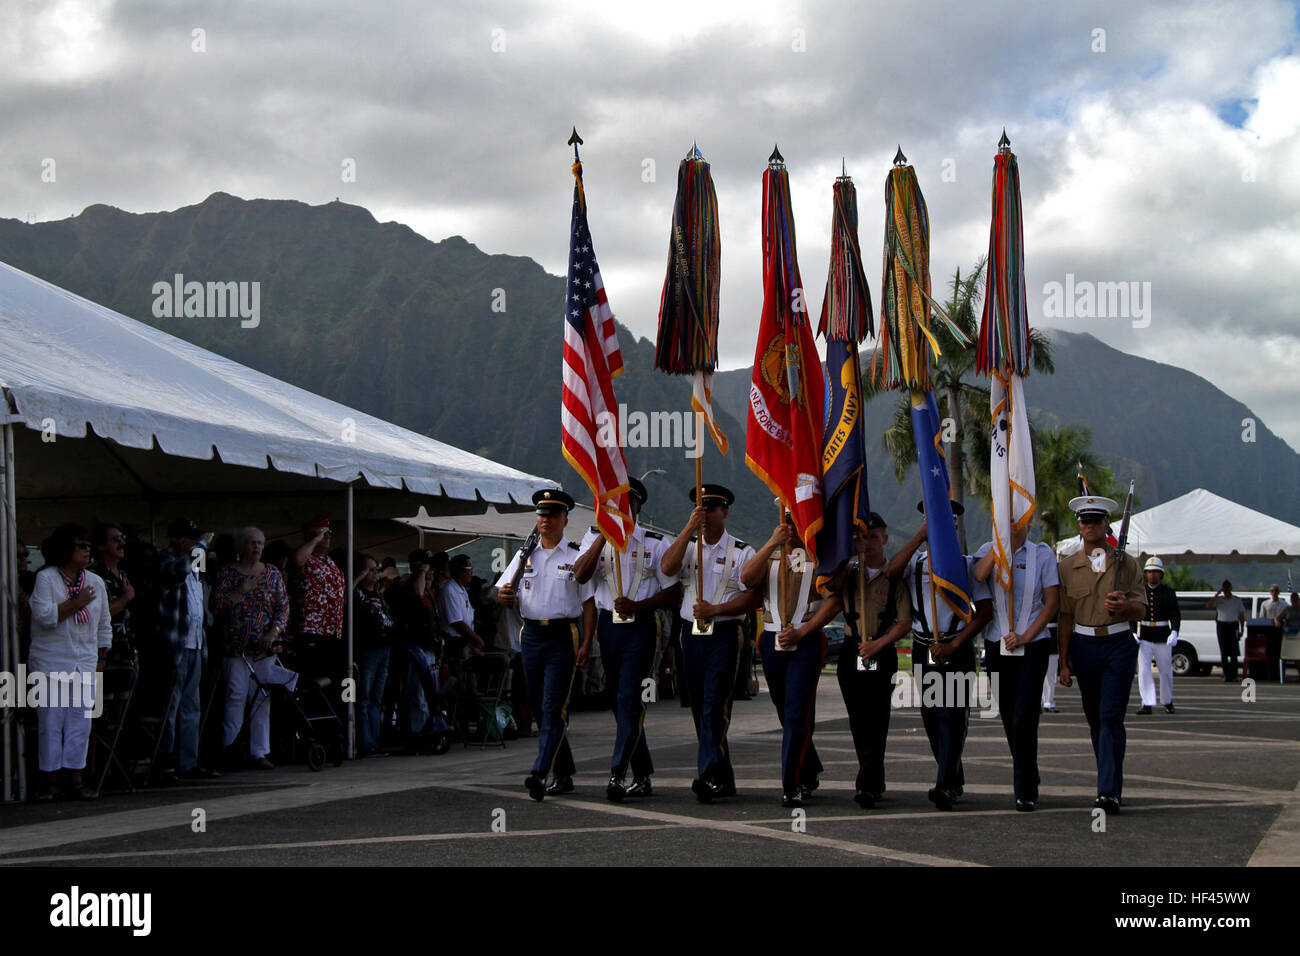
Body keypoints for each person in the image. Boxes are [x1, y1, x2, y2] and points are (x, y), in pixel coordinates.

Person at [574, 477, 679, 802]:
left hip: (642, 626)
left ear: (638, 506)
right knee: (617, 701)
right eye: (615, 502)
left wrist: (640, 605)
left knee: (629, 697)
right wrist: (602, 537)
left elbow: (672, 592)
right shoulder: (593, 537)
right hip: (609, 626)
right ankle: (643, 772)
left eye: (628, 502)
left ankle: (618, 773)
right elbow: (580, 576)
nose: (622, 507)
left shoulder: (654, 542)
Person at [889, 500, 993, 811]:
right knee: (933, 719)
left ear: (955, 526)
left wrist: (955, 644)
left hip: (956, 648)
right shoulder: (915, 563)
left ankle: (944, 784)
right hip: (924, 647)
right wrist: (919, 537)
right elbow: (892, 572)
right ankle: (953, 778)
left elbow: (984, 613)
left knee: (953, 717)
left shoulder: (967, 564)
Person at [660, 484, 760, 804]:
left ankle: (707, 774)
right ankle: (723, 776)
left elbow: (752, 597)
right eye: (699, 510)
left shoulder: (743, 552)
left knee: (715, 706)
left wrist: (716, 610)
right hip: (691, 635)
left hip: (724, 635)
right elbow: (666, 568)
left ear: (725, 512)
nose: (704, 516)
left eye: (711, 509)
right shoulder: (688, 547)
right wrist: (688, 529)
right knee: (700, 708)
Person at [496, 489, 596, 801]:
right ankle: (564, 772)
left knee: (554, 706)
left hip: (562, 635)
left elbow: (589, 604)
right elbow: (502, 590)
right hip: (532, 635)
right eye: (541, 515)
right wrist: (503, 596)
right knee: (541, 706)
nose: (545, 520)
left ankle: (540, 772)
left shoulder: (576, 556)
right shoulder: (525, 554)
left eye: (552, 515)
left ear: (565, 520)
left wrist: (588, 642)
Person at [740, 510, 836, 808]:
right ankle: (808, 768)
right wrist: (772, 543)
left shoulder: (819, 557)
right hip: (771, 639)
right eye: (787, 521)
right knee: (786, 711)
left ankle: (791, 783)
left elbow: (834, 601)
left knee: (797, 712)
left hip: (805, 639)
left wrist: (804, 630)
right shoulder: (767, 555)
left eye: (796, 521)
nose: (791, 528)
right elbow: (746, 579)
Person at [1057, 495, 1145, 814]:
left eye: (1096, 520)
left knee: (1110, 717)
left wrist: (1125, 607)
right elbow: (1065, 617)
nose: (1090, 526)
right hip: (1084, 647)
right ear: (1078, 526)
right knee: (1096, 720)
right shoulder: (1066, 568)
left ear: (1107, 525)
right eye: (1084, 521)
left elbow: (1141, 609)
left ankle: (1108, 790)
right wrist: (1064, 662)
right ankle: (1107, 777)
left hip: (1118, 645)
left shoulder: (1126, 563)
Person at [825, 513, 911, 809]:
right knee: (858, 720)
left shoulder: (894, 575)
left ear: (885, 539)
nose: (868, 543)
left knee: (878, 718)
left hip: (881, 649)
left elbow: (904, 622)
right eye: (863, 537)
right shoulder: (849, 572)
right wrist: (850, 554)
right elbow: (829, 586)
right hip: (852, 649)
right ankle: (872, 776)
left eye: (873, 537)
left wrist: (879, 644)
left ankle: (868, 783)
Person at [973, 522, 1060, 811]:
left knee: (1025, 715)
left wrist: (1026, 635)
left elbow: (1051, 602)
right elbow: (979, 575)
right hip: (998, 643)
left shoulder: (1042, 555)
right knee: (1009, 715)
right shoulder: (988, 550)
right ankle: (1028, 770)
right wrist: (1002, 546)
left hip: (1032, 643)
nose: (1013, 523)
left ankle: (1024, 788)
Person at [28, 524, 112, 800]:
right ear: (67, 549)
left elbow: (104, 625)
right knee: (51, 722)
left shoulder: (95, 581)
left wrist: (101, 658)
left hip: (85, 662)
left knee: (81, 722)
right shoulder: (47, 579)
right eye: (82, 546)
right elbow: (42, 616)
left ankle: (75, 778)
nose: (88, 551)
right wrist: (75, 603)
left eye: (89, 546)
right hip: (51, 661)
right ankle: (48, 781)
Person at [211, 526, 294, 769]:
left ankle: (260, 752)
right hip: (236, 648)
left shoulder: (272, 573)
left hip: (264, 648)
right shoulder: (227, 574)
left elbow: (283, 607)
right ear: (240, 547)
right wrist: (240, 592)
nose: (256, 547)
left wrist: (274, 631)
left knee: (261, 697)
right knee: (235, 696)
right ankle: (230, 748)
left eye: (259, 543)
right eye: (250, 543)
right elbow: (217, 606)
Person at [152, 517, 218, 781]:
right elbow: (177, 572)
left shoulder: (194, 566)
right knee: (171, 706)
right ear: (181, 540)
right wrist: (201, 545)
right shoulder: (165, 560)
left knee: (191, 706)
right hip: (174, 646)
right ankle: (164, 762)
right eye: (191, 540)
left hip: (195, 644)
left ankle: (187, 762)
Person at [389, 548, 443, 752]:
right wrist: (420, 572)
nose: (430, 571)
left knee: (429, 693)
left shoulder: (430, 588)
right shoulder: (406, 583)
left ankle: (427, 730)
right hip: (413, 646)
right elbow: (417, 593)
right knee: (417, 693)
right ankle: (417, 734)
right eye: (426, 566)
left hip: (428, 646)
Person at [290, 515, 346, 687]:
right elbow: (297, 560)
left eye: (329, 533)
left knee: (333, 676)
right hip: (311, 629)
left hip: (331, 630)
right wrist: (315, 539)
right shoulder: (308, 558)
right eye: (323, 533)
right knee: (313, 676)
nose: (327, 536)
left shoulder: (329, 561)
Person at [353, 553, 396, 755]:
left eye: (374, 569)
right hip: (368, 649)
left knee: (377, 698)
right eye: (368, 569)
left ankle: (375, 740)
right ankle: (365, 741)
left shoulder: (378, 595)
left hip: (384, 648)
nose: (372, 573)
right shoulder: (358, 594)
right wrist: (359, 578)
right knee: (364, 697)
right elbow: (345, 597)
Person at [1134, 556, 1180, 715]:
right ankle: (1146, 702)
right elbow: (1133, 612)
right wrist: (1133, 632)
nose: (1152, 575)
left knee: (1166, 670)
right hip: (1145, 635)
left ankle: (1167, 701)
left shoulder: (1168, 592)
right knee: (1144, 671)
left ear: (1161, 574)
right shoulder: (1140, 591)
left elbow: (1175, 614)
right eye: (1149, 572)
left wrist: (1174, 631)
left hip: (1162, 635)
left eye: (1155, 572)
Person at [88, 523, 135, 662]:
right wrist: (125, 598)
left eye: (123, 538)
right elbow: (95, 615)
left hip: (126, 655)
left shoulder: (123, 575)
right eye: (116, 539)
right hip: (103, 657)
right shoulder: (91, 576)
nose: (122, 543)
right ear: (101, 546)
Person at [439, 553, 486, 663]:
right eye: (469, 568)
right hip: (455, 644)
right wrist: (477, 640)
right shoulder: (449, 590)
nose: (471, 572)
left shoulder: (462, 589)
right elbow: (456, 622)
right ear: (460, 570)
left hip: (464, 642)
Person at [1207, 580, 1246, 682]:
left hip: (1233, 625)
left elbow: (1241, 615)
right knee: (1223, 652)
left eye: (1228, 588)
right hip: (1222, 625)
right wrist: (1217, 594)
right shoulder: (1219, 600)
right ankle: (1226, 674)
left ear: (1231, 588)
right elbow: (1209, 605)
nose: (1226, 590)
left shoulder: (1237, 600)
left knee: (1234, 652)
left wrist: (1242, 628)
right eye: (1224, 588)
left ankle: (1234, 675)